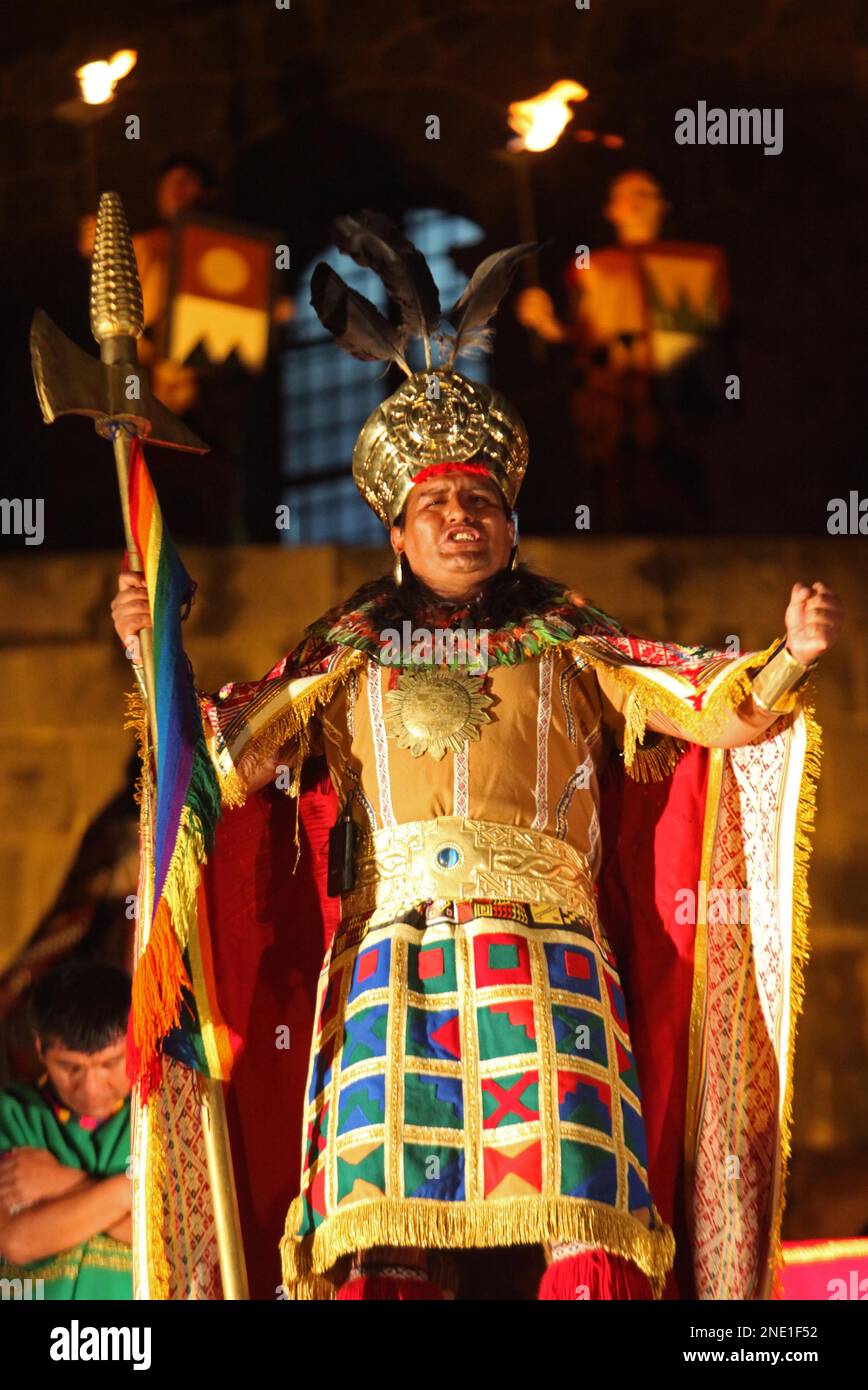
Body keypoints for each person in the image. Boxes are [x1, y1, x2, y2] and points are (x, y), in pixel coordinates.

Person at [111, 214, 842, 1300]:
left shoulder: (573, 635)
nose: (461, 517)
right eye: (436, 504)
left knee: (583, 1210)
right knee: (372, 1231)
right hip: (387, 957)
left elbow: (710, 708)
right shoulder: (343, 648)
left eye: (482, 501)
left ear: (511, 523)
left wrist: (789, 659)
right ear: (396, 534)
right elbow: (218, 767)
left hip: (547, 953)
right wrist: (146, 649)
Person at [516, 170, 730, 530]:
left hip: (680, 413)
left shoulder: (700, 262)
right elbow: (579, 338)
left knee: (684, 506)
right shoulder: (592, 269)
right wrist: (544, 322)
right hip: (614, 410)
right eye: (627, 195)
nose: (638, 202)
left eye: (647, 193)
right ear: (611, 210)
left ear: (663, 206)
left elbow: (717, 338)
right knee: (618, 506)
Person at [0, 961, 133, 1299]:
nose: (90, 1087)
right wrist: (130, 1193)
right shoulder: (12, 1115)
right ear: (41, 1050)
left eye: (109, 1063)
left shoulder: (158, 1121)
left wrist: (59, 1182)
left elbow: (168, 1238)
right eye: (70, 1067)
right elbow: (18, 1241)